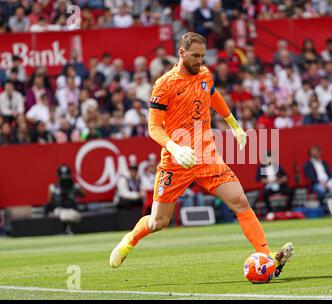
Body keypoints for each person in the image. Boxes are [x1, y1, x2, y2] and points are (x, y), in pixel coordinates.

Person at [110, 32, 293, 278]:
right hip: (177, 160)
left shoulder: (204, 74)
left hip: (207, 155)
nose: (199, 61)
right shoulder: (164, 84)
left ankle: (269, 257)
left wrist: (234, 125)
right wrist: (174, 147)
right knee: (158, 222)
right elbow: (153, 127)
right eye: (195, 56)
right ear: (181, 52)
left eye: (203, 56)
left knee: (240, 201)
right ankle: (130, 240)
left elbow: (214, 96)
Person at [45, 164, 85, 234]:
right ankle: (63, 230)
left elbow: (83, 195)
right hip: (59, 210)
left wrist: (75, 189)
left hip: (72, 209)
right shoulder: (53, 187)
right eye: (62, 175)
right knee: (61, 213)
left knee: (71, 214)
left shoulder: (75, 186)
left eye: (66, 175)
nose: (64, 178)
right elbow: (50, 201)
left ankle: (69, 230)